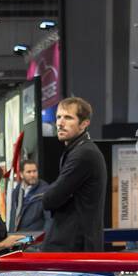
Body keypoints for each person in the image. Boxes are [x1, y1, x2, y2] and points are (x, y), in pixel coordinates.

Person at [41, 97, 107, 251]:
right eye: (58, 117)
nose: (60, 123)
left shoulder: (83, 154)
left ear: (84, 124)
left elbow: (49, 199)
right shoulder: (79, 150)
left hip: (75, 247)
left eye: (68, 117)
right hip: (73, 243)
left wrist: (49, 195)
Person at [8, 158, 48, 231]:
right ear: (21, 174)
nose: (32, 175)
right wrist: (11, 234)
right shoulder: (17, 191)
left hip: (36, 235)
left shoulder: (45, 190)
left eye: (34, 171)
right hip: (19, 235)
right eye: (29, 172)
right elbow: (13, 216)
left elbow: (49, 218)